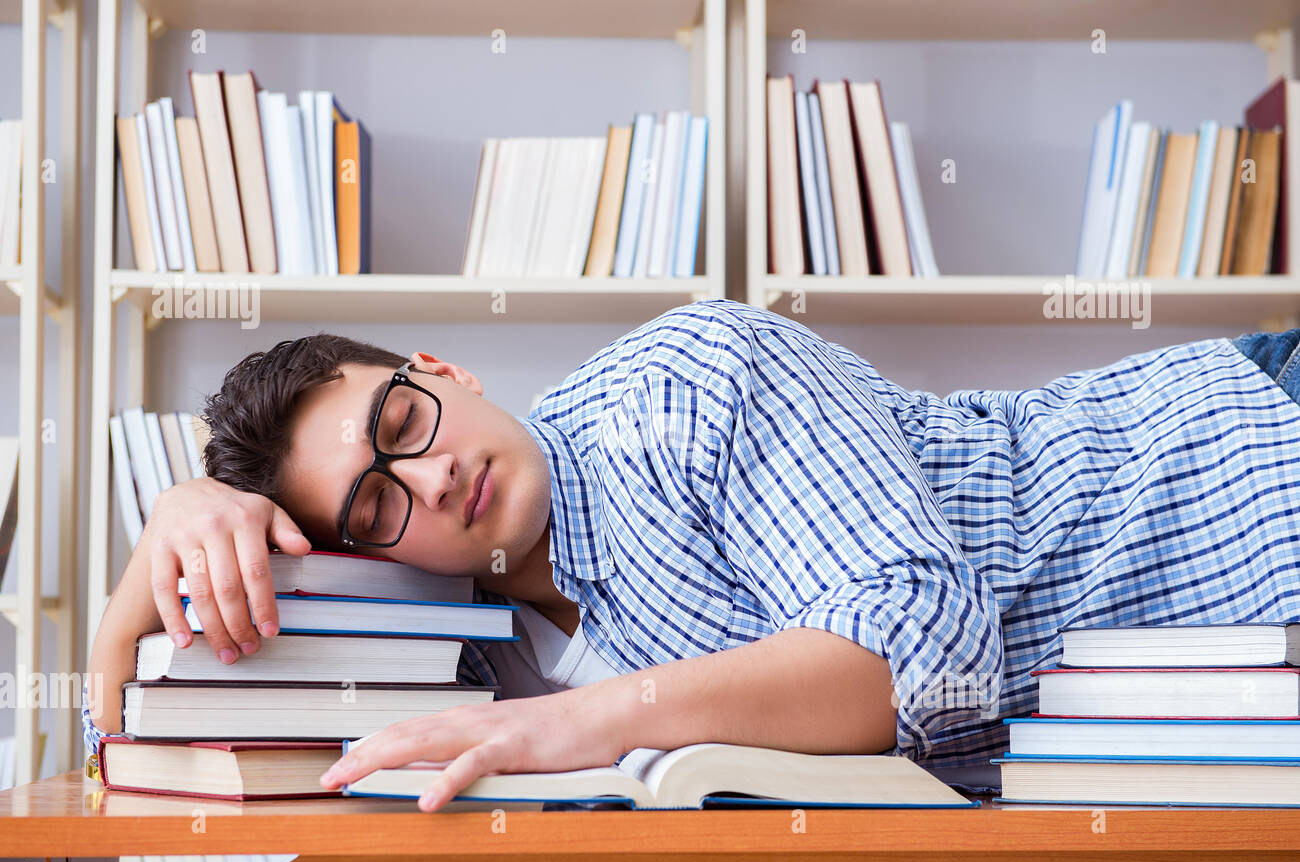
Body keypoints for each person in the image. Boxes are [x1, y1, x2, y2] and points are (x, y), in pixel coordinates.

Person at [83, 299, 1300, 811]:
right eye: (375, 504)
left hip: (1242, 475)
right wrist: (167, 534)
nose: (432, 475)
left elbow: (925, 650)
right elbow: (146, 734)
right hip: (1212, 723)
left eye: (405, 423)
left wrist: (589, 722)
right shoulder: (441, 630)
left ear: (442, 372)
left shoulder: (689, 380)